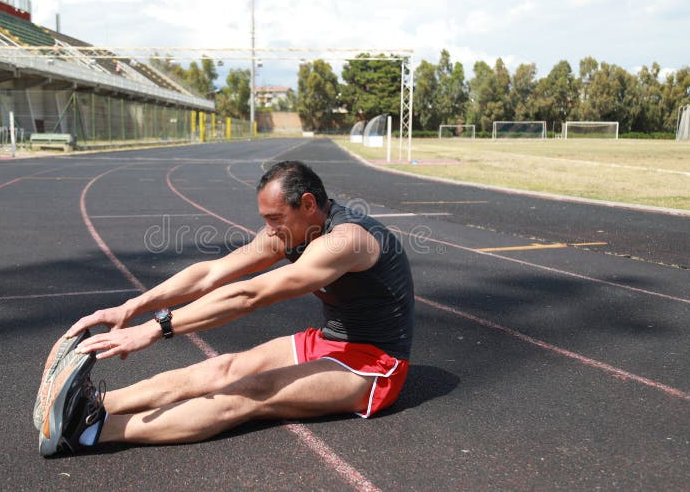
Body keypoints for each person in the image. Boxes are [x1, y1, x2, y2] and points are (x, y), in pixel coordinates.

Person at [36, 160, 414, 456]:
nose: (268, 230)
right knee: (222, 367)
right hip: (329, 342)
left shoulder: (345, 241)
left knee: (250, 391)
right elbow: (212, 273)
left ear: (309, 205)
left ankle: (89, 429)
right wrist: (132, 307)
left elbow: (250, 295)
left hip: (374, 365)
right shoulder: (295, 227)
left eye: (274, 219)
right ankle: (85, 404)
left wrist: (156, 328)